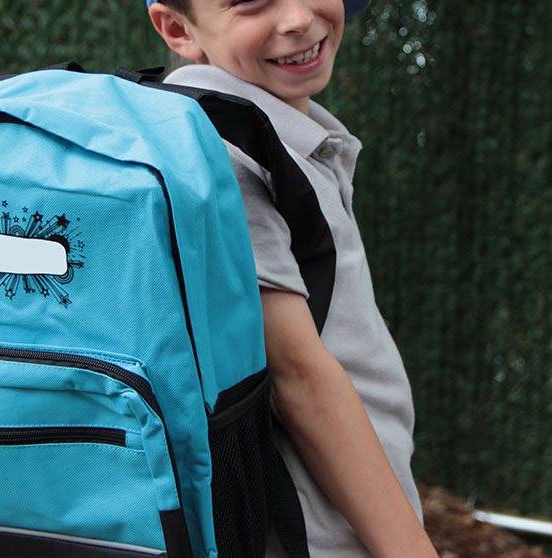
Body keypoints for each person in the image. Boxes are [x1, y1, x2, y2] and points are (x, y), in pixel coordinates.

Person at [146, 1, 439, 557]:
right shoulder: (219, 149)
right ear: (179, 29)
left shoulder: (276, 135)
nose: (298, 18)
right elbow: (297, 379)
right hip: (314, 530)